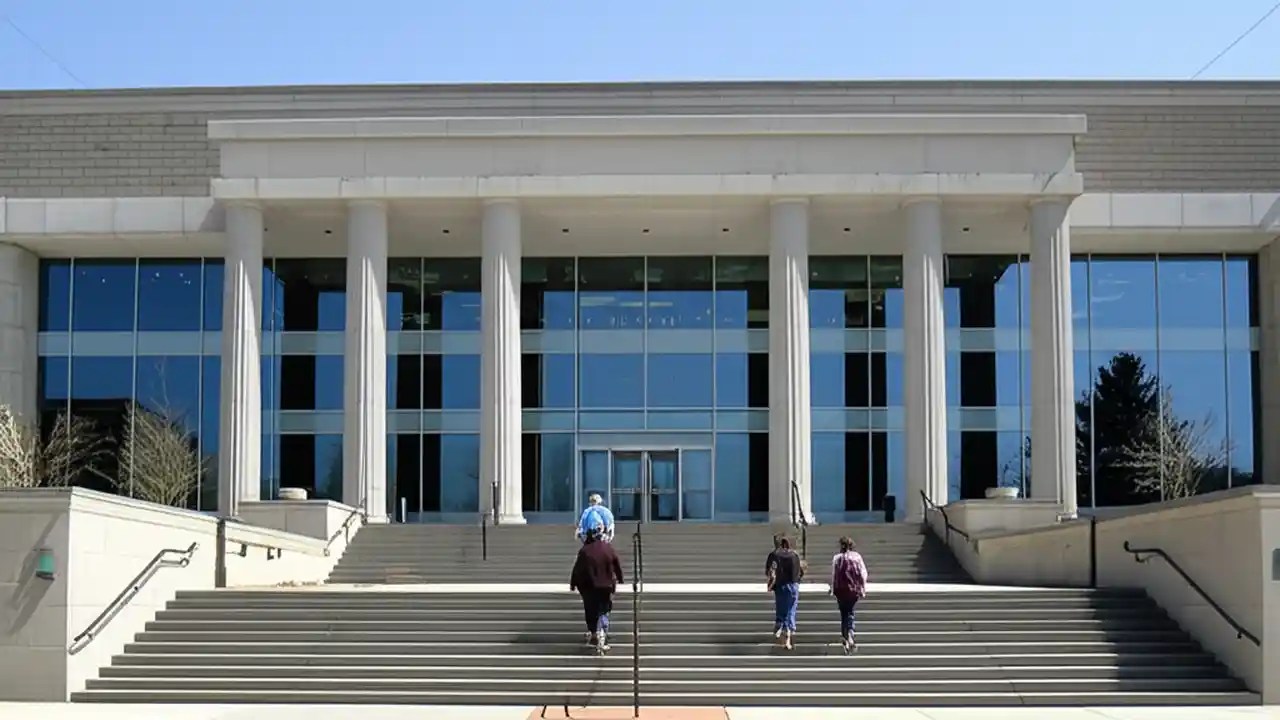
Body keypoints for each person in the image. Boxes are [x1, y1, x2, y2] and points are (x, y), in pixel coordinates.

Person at [570, 526, 624, 653]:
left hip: (589, 587)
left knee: (590, 609)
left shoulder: (585, 551)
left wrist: (573, 583)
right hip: (606, 586)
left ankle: (594, 632)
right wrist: (620, 578)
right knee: (604, 610)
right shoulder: (608, 549)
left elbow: (577, 569)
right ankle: (602, 634)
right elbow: (616, 564)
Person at [830, 536, 869, 654]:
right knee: (850, 612)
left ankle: (845, 638)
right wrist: (863, 588)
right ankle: (850, 635)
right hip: (853, 590)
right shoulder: (857, 557)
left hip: (840, 590)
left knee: (843, 614)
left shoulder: (837, 558)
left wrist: (832, 589)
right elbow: (863, 573)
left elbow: (833, 575)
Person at [765, 535, 804, 650]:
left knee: (781, 610)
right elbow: (799, 572)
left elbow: (770, 571)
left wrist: (770, 583)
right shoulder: (795, 555)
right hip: (793, 586)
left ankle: (779, 626)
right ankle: (787, 637)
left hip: (780, 586)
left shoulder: (774, 555)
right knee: (790, 611)